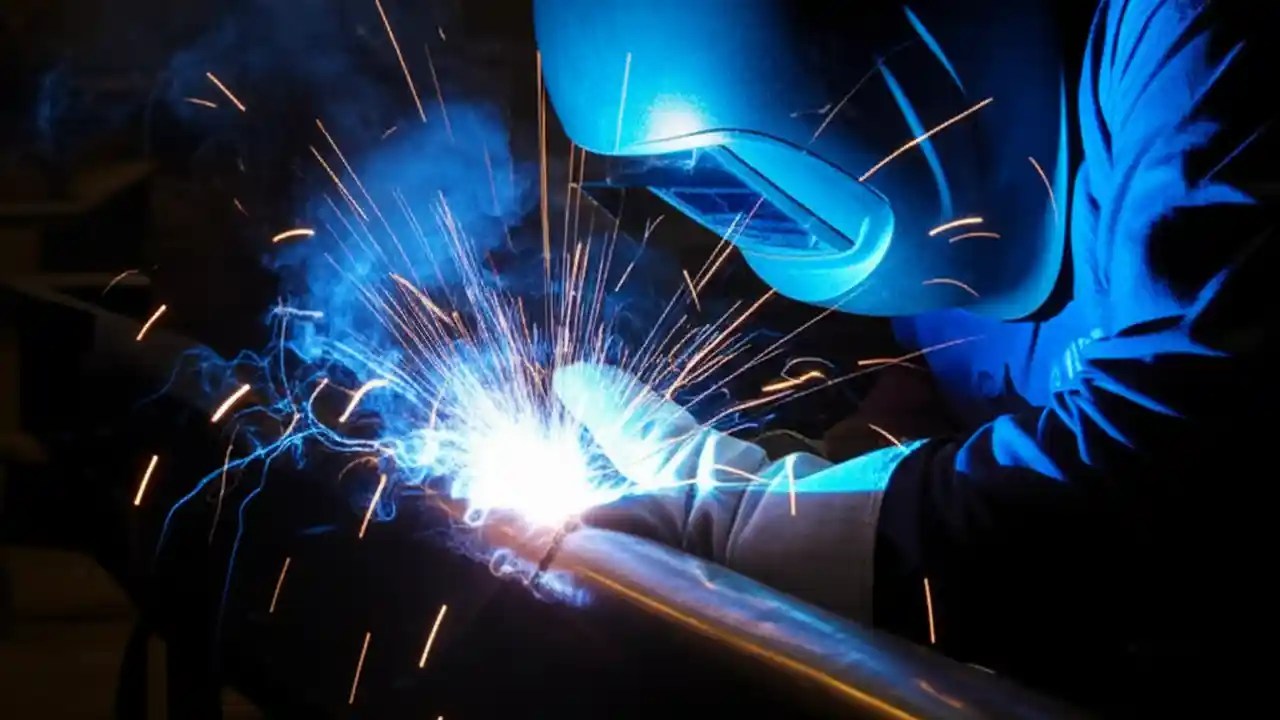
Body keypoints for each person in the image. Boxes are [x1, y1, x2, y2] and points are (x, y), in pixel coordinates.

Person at [535, 0, 1275, 711]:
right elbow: (939, 360)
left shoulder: (1186, 35)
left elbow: (1182, 450)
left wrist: (799, 530)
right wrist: (839, 467)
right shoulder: (931, 163)